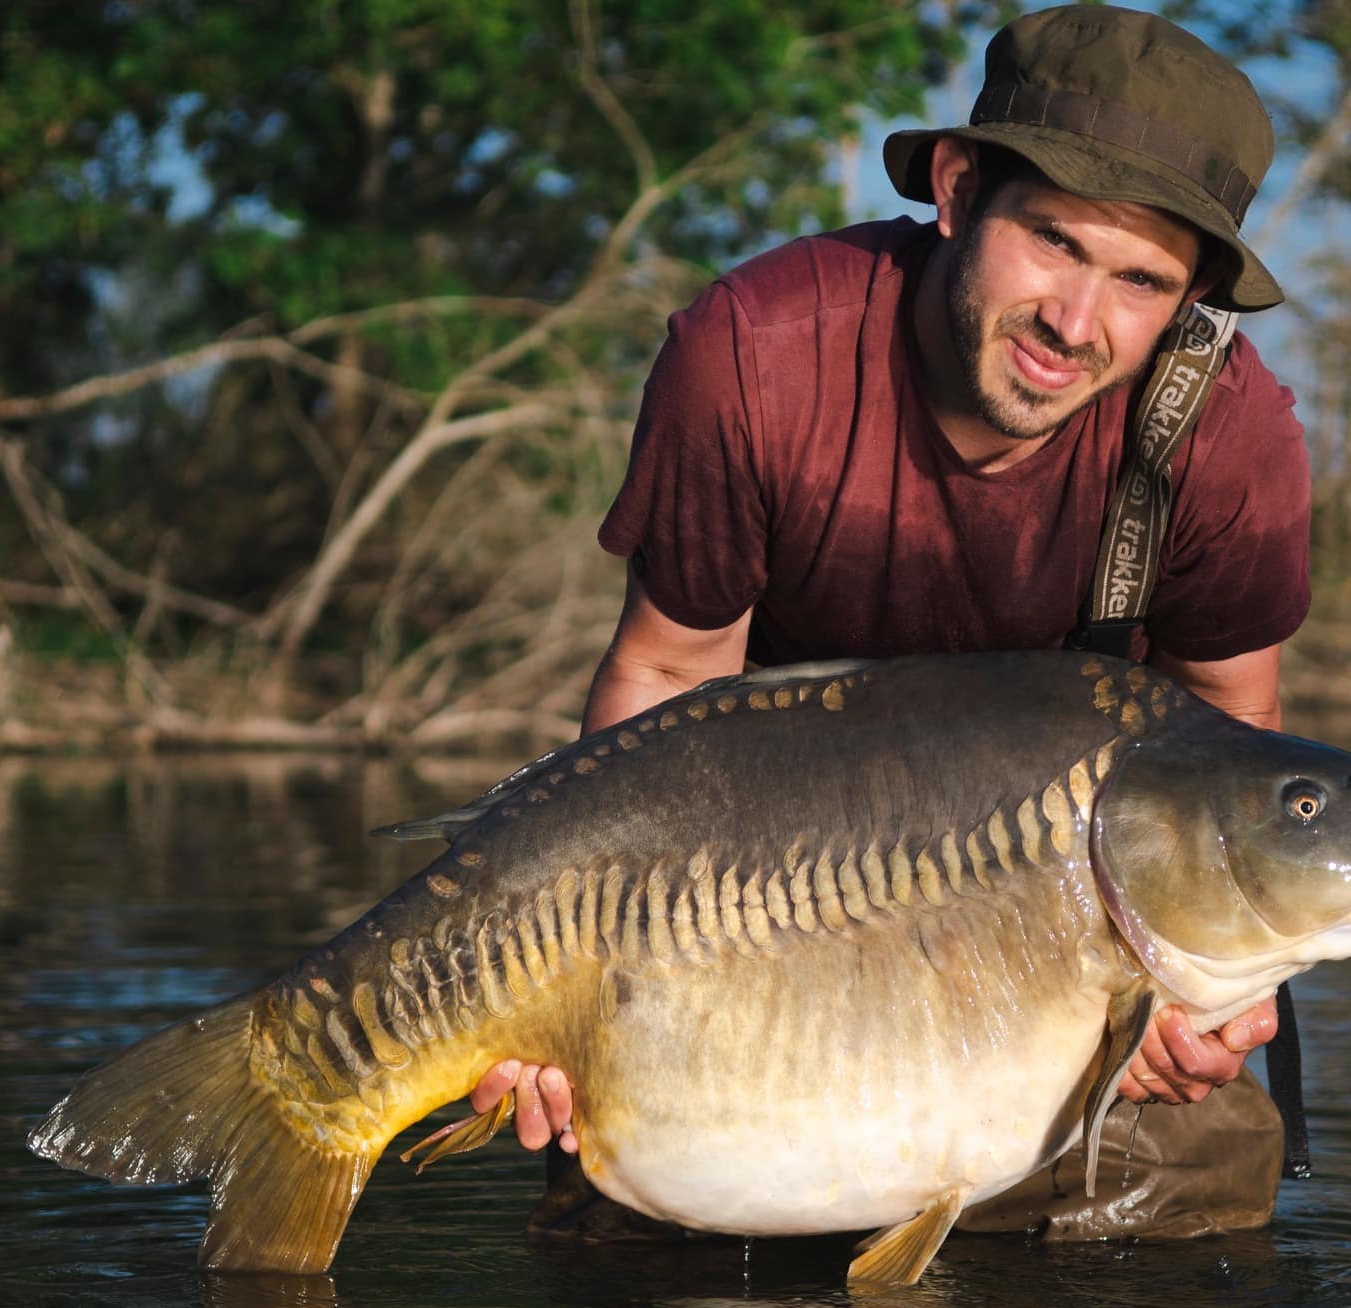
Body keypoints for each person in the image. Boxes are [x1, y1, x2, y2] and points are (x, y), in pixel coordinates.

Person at [470, 4, 1309, 1239]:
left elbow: (1231, 729)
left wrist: (1213, 1000)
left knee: (1190, 1207)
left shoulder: (1224, 441)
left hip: (1052, 948)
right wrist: (561, 983)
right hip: (753, 925)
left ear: (1187, 296)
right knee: (625, 1251)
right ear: (959, 192)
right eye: (1053, 241)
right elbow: (663, 677)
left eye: (1140, 281)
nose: (1075, 322)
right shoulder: (753, 358)